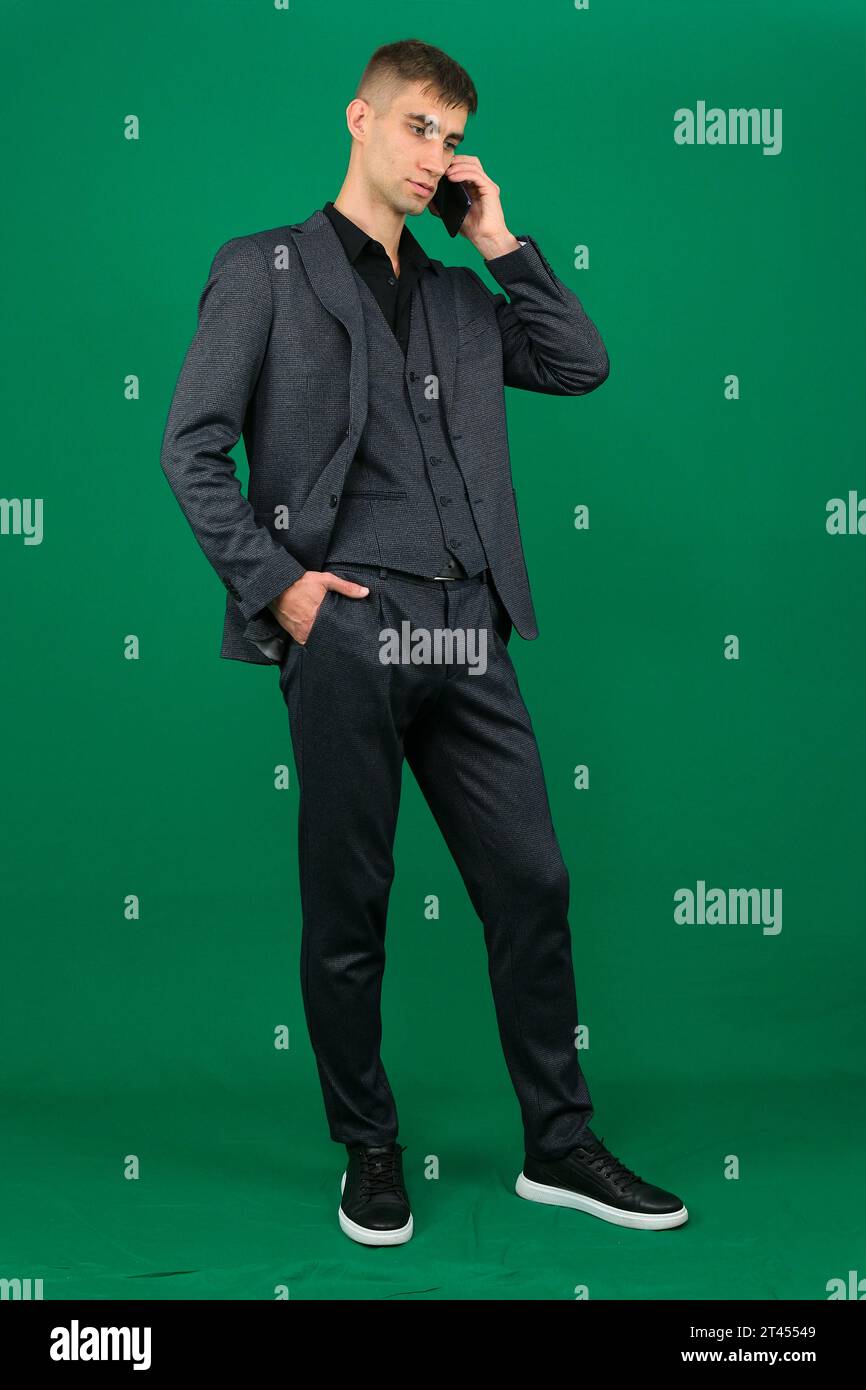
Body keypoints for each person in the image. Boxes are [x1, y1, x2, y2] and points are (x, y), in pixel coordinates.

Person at [160, 37, 688, 1245]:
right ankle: (368, 1149)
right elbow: (188, 447)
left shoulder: (459, 297)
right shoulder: (264, 270)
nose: (431, 155)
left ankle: (557, 1146)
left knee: (533, 880)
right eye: (414, 128)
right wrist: (281, 591)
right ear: (357, 118)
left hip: (468, 628)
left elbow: (578, 361)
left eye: (449, 139)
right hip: (349, 626)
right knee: (351, 902)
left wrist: (495, 234)